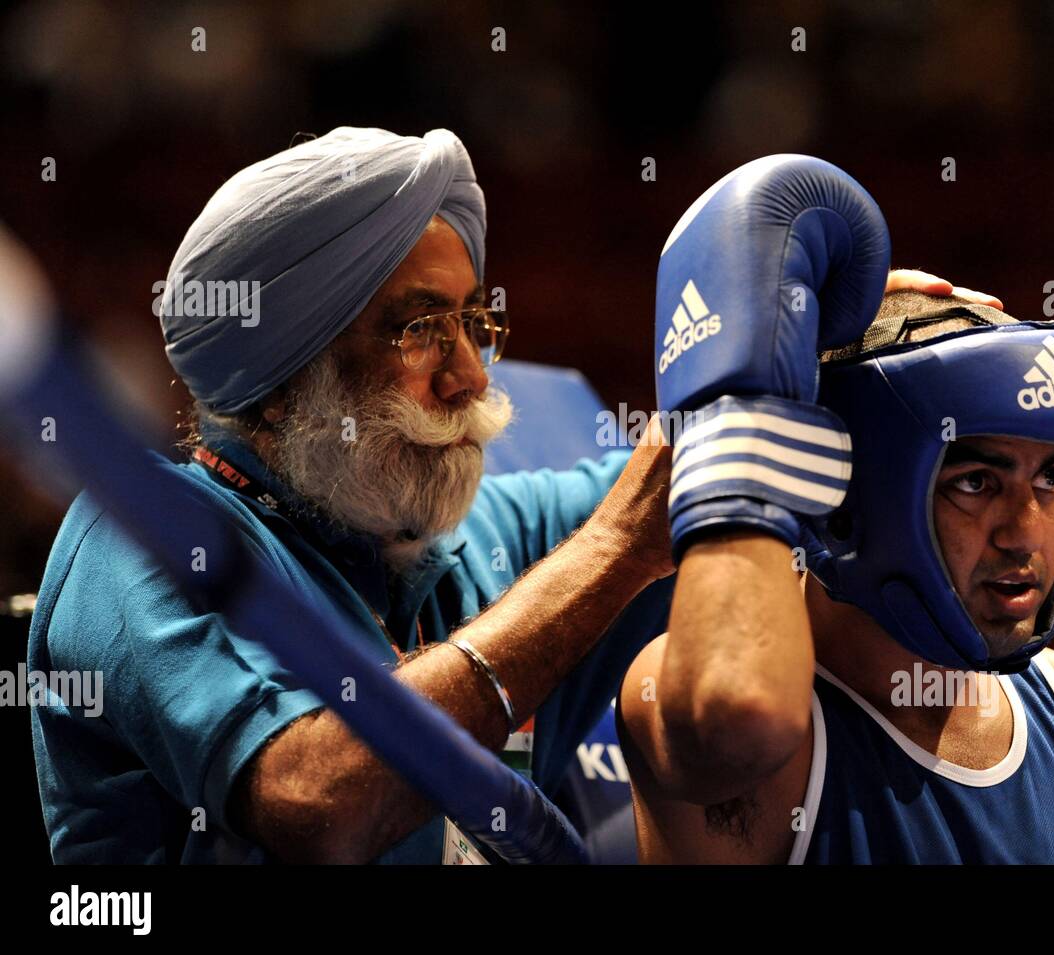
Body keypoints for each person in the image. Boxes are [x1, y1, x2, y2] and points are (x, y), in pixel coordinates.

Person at [28, 127, 682, 863]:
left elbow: (689, 475)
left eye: (473, 323)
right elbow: (319, 804)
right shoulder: (142, 539)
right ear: (281, 387)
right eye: (420, 329)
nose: (470, 374)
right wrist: (615, 549)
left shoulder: (484, 533)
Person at [617, 156, 1054, 863]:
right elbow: (733, 715)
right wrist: (747, 422)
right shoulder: (738, 725)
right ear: (851, 493)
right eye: (975, 483)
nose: (1026, 532)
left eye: (1050, 478)